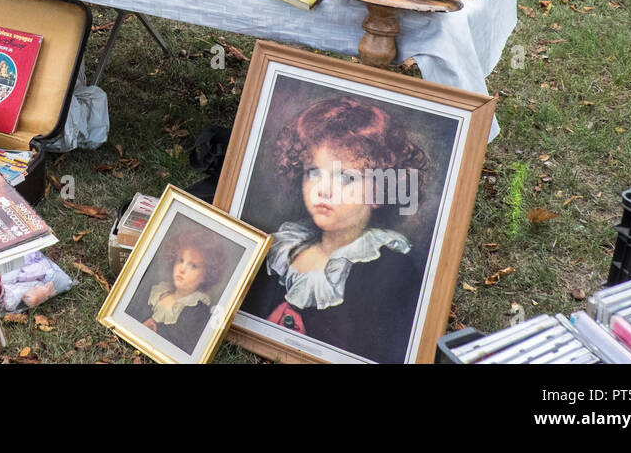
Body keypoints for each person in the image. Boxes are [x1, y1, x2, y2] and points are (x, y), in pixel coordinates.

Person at [243, 96, 428, 364]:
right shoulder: (284, 248)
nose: (324, 189)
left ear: (379, 189)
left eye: (346, 177)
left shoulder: (390, 269)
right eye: (315, 172)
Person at [127, 228, 227, 355]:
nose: (182, 269)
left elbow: (183, 344)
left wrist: (156, 331)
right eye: (180, 260)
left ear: (206, 275)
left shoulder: (197, 310)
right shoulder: (158, 292)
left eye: (193, 266)